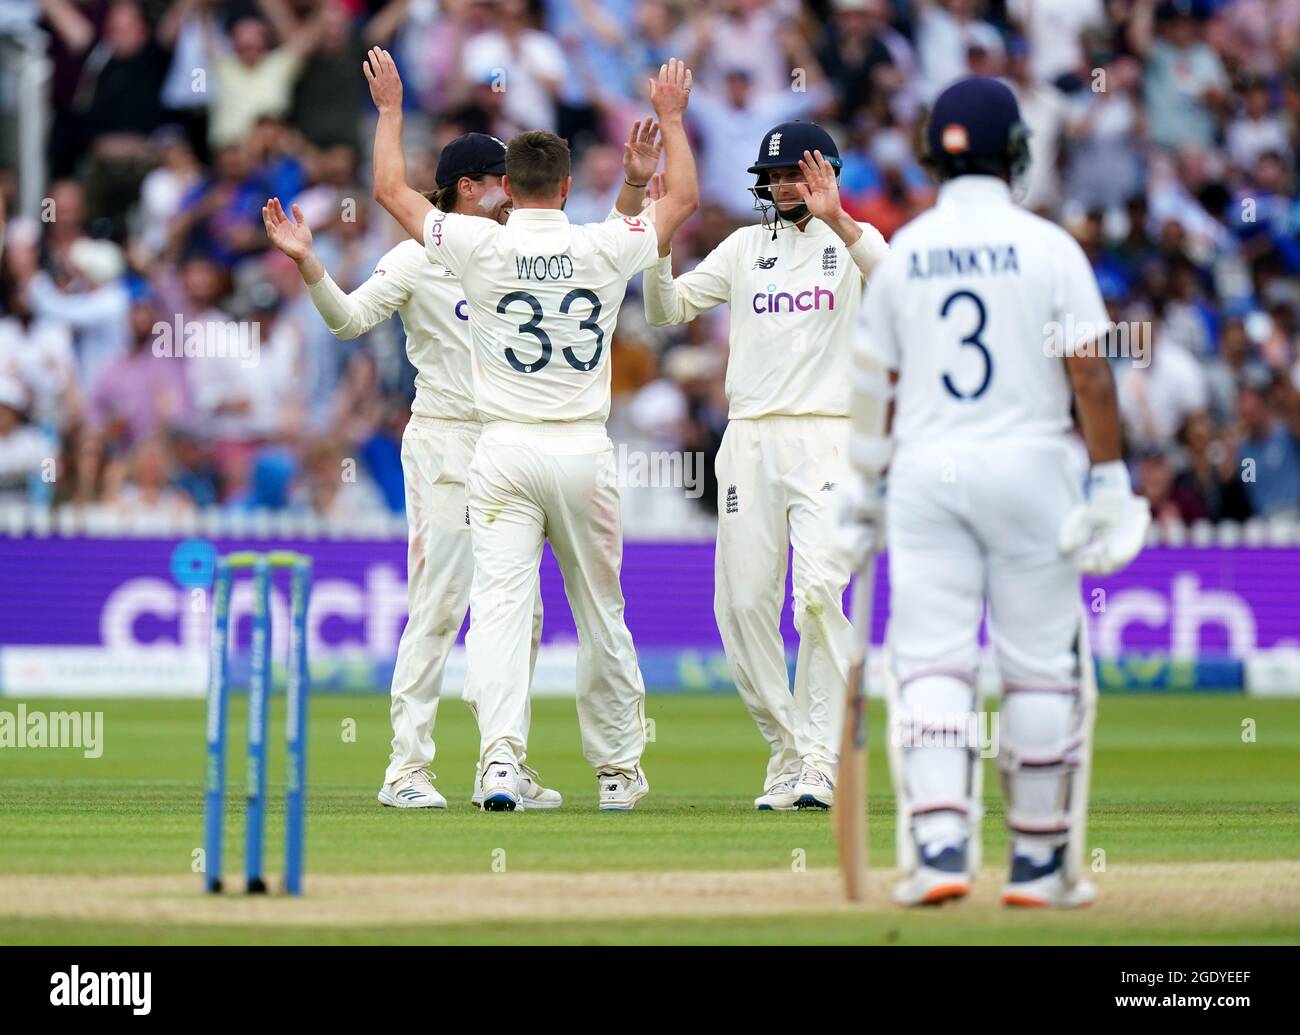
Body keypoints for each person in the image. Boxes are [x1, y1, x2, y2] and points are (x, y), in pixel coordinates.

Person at [366, 48, 699, 811]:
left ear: (509, 188)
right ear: (569, 187)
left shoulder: (479, 243)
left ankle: (499, 765)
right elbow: (682, 200)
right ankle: (616, 772)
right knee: (600, 613)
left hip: (504, 449)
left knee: (504, 610)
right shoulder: (601, 244)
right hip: (582, 448)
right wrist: (671, 124)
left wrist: (391, 112)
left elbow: (388, 188)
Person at [846, 76, 1150, 908]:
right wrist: (1112, 479)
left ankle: (941, 849)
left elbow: (876, 380)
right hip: (1031, 469)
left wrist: (861, 489)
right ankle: (1038, 861)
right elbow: (1089, 371)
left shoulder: (905, 248)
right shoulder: (1049, 245)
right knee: (1038, 667)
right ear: (1015, 153)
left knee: (933, 661)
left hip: (925, 472)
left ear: (928, 156)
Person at [642, 120, 889, 811]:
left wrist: (842, 220)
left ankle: (821, 758)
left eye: (800, 175)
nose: (786, 186)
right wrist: (658, 246)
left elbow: (900, 287)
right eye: (776, 176)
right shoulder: (747, 247)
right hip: (750, 440)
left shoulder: (852, 246)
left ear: (828, 175)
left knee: (818, 593)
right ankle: (787, 749)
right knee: (743, 605)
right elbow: (666, 310)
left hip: (829, 439)